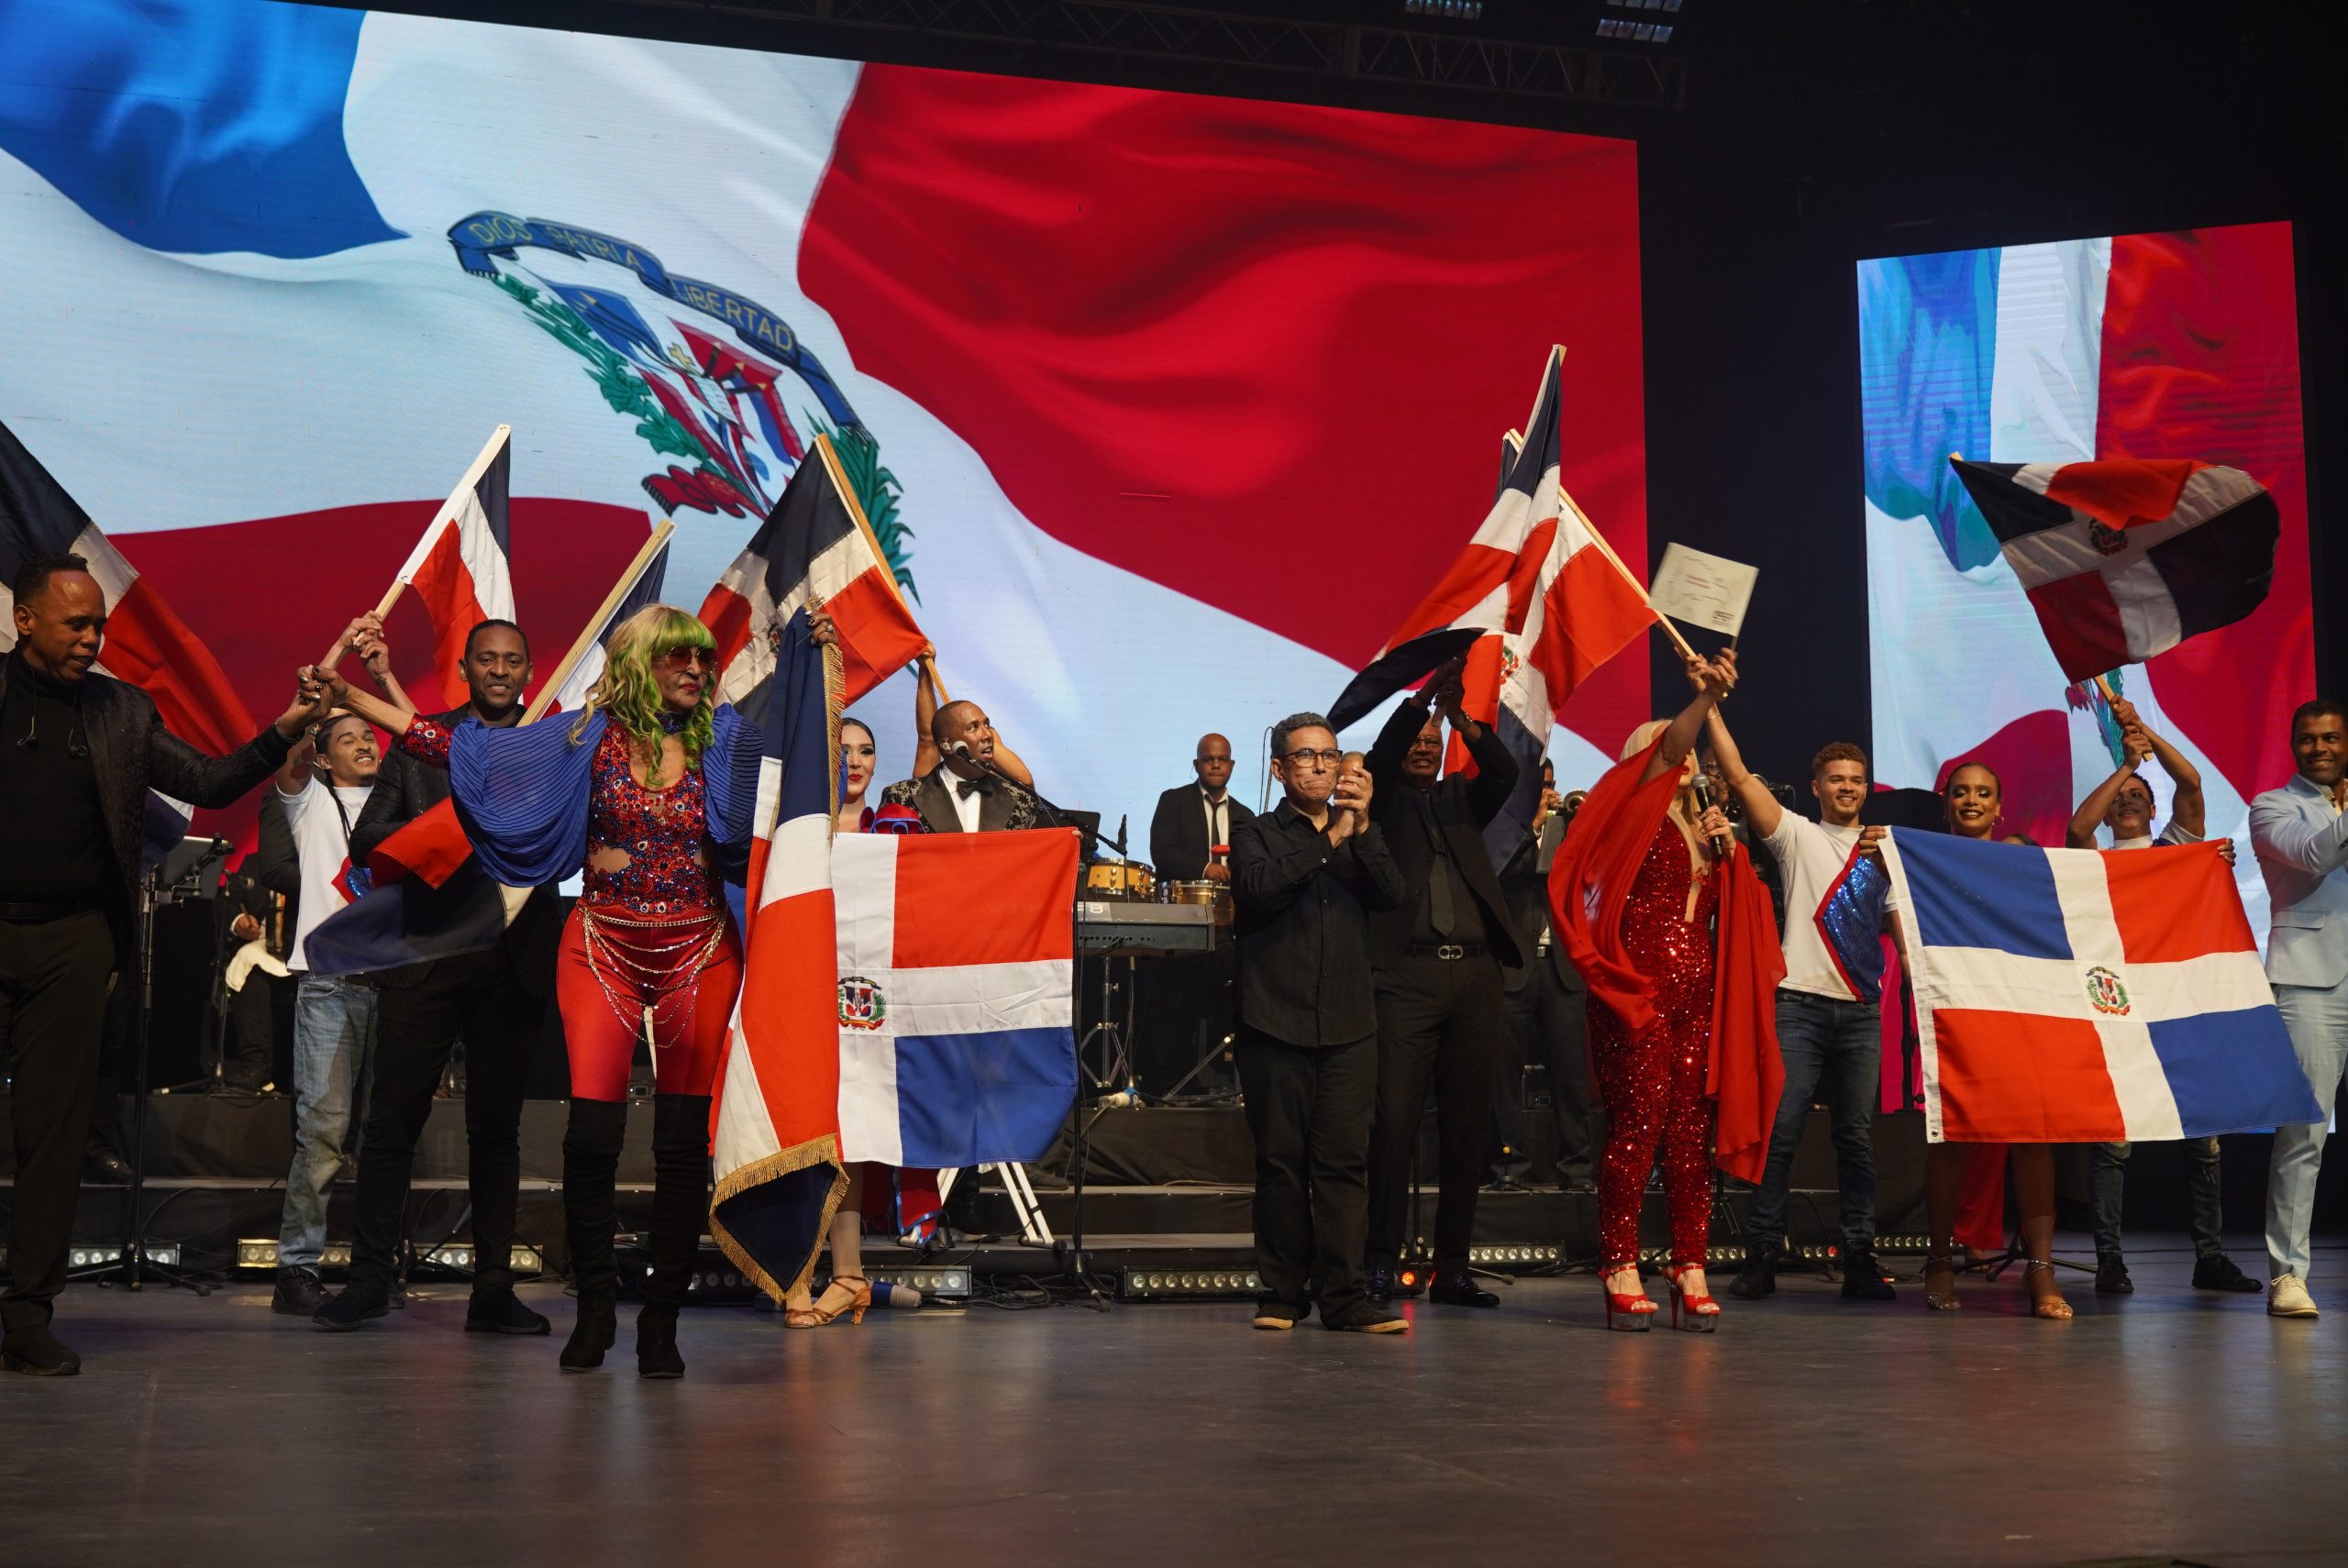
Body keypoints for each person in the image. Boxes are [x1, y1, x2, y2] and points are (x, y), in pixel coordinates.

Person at [310, 602, 803, 1376]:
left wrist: (813, 661)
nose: (696, 672)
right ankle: (599, 1311)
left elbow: (807, 761)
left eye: (704, 661)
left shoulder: (727, 740)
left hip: (700, 952)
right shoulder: (584, 736)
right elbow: (454, 748)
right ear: (642, 663)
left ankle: (661, 1324)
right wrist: (353, 695)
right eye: (679, 659)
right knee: (592, 1139)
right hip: (602, 948)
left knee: (680, 1147)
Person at [2, 551, 324, 1376]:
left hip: (74, 941)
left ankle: (27, 1314)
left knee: (54, 1134)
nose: (91, 637)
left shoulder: (121, 711)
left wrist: (281, 731)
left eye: (98, 624)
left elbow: (212, 782)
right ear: (24, 620)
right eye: (75, 622)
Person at [309, 616, 563, 1339]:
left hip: (513, 964)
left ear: (529, 671)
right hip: (427, 957)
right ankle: (367, 1281)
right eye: (487, 659)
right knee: (391, 1123)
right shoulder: (421, 743)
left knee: (496, 1130)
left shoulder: (547, 749)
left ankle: (492, 1290)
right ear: (466, 667)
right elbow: (367, 841)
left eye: (513, 661)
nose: (500, 671)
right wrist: (448, 834)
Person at [1556, 656, 1743, 1330]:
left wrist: (1731, 854)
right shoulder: (1630, 816)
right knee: (1636, 1128)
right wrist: (1704, 700)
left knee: (1691, 1133)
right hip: (1636, 990)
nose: (1687, 758)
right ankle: (1619, 1262)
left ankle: (1690, 1261)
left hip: (1699, 993)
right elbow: (1665, 749)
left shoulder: (1704, 825)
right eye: (1675, 748)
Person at [2066, 700, 2258, 1297]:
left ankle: (2209, 1256)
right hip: (2118, 1011)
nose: (2126, 805)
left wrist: (2143, 734)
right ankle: (2110, 1261)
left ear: (2153, 811)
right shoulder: (2095, 862)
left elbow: (2192, 783)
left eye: (2137, 799)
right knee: (2114, 1146)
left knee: (2202, 1142)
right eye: (2120, 800)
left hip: (2178, 1008)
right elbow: (2076, 828)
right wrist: (2125, 767)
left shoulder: (2175, 851)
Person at [1227, 711, 1406, 1332]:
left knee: (1343, 1163)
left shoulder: (1357, 831)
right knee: (1280, 1162)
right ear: (1279, 769)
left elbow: (1391, 894)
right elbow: (1259, 888)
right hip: (1274, 1019)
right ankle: (1280, 1294)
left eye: (1330, 756)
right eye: (1306, 757)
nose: (1322, 766)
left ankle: (1346, 1296)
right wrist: (1328, 841)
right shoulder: (1255, 831)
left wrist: (1363, 827)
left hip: (1350, 1025)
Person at [1710, 716, 1898, 1303]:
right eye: (1837, 779)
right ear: (1815, 787)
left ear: (1867, 787)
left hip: (1863, 1012)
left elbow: (1906, 934)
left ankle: (1861, 1259)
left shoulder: (1886, 852)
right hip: (1799, 1008)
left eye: (1858, 780)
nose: (1848, 787)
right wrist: (1715, 707)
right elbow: (1737, 776)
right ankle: (1761, 1254)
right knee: (1782, 1133)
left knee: (1856, 1140)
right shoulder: (1795, 835)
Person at [1361, 664, 1523, 1308]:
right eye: (1416, 743)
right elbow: (1378, 754)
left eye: (1433, 742)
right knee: (1394, 1123)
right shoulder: (1385, 799)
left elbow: (1506, 775)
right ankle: (1380, 1260)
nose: (1424, 749)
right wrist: (1420, 704)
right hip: (1408, 975)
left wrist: (1460, 717)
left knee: (1466, 1128)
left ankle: (1453, 1269)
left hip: (1477, 975)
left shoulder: (1462, 799)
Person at [781, 712, 942, 1327]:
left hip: (869, 1005)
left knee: (849, 1139)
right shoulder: (796, 832)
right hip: (803, 992)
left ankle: (845, 1274)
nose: (854, 760)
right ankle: (803, 1270)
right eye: (842, 749)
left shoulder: (895, 827)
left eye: (866, 751)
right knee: (801, 1134)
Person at [1919, 763, 2072, 1320]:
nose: (1972, 800)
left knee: (2033, 1134)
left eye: (1984, 792)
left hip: (2019, 1006)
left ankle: (2041, 1273)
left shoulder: (2022, 861)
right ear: (1948, 804)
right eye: (1961, 792)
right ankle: (1939, 1260)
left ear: (1999, 805)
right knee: (1951, 1136)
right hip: (1957, 1006)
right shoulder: (1925, 860)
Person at [268, 711, 382, 1317]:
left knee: (383, 1135)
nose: (363, 742)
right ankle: (297, 1269)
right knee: (324, 1132)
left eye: (369, 735)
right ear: (324, 756)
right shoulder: (312, 799)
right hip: (331, 984)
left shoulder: (400, 804)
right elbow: (289, 768)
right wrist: (313, 718)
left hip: (391, 981)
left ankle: (375, 1269)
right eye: (347, 739)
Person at [2248, 697, 2348, 1320]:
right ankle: (2288, 1274)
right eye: (2309, 739)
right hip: (2312, 986)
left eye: (2332, 738)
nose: (2320, 748)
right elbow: (2315, 855)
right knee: (2304, 1136)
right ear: (2294, 745)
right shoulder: (2273, 807)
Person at [1491, 764, 1594, 1193]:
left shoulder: (1571, 829)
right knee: (1503, 1078)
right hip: (1512, 968)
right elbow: (1495, 878)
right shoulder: (1498, 832)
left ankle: (1578, 1170)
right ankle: (1508, 1170)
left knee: (1572, 1077)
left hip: (1563, 969)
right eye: (1538, 787)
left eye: (1549, 785)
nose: (1548, 794)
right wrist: (1527, 828)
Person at [881, 698, 1039, 833]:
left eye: (987, 724)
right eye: (973, 727)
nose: (987, 735)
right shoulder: (900, 798)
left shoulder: (1021, 798)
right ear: (946, 746)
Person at [1150, 734, 1256, 883]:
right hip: (1183, 902)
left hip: (1231, 902)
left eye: (1223, 759)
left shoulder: (1245, 815)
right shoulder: (1173, 801)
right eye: (1208, 759)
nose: (1216, 765)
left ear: (1232, 765)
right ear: (1196, 764)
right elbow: (1162, 853)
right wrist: (1205, 868)